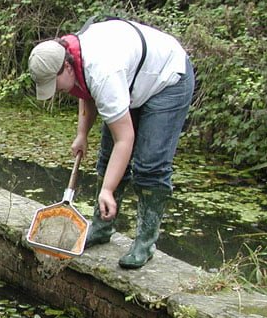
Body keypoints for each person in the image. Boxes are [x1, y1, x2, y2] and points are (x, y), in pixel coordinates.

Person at [28, 18, 195, 269]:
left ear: (66, 66)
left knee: (149, 165)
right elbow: (86, 92)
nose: (55, 90)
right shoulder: (76, 58)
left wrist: (107, 190)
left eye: (54, 83)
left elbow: (124, 139)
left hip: (167, 79)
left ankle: (145, 243)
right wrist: (82, 133)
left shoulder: (102, 70)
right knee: (107, 159)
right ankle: (102, 227)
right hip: (130, 79)